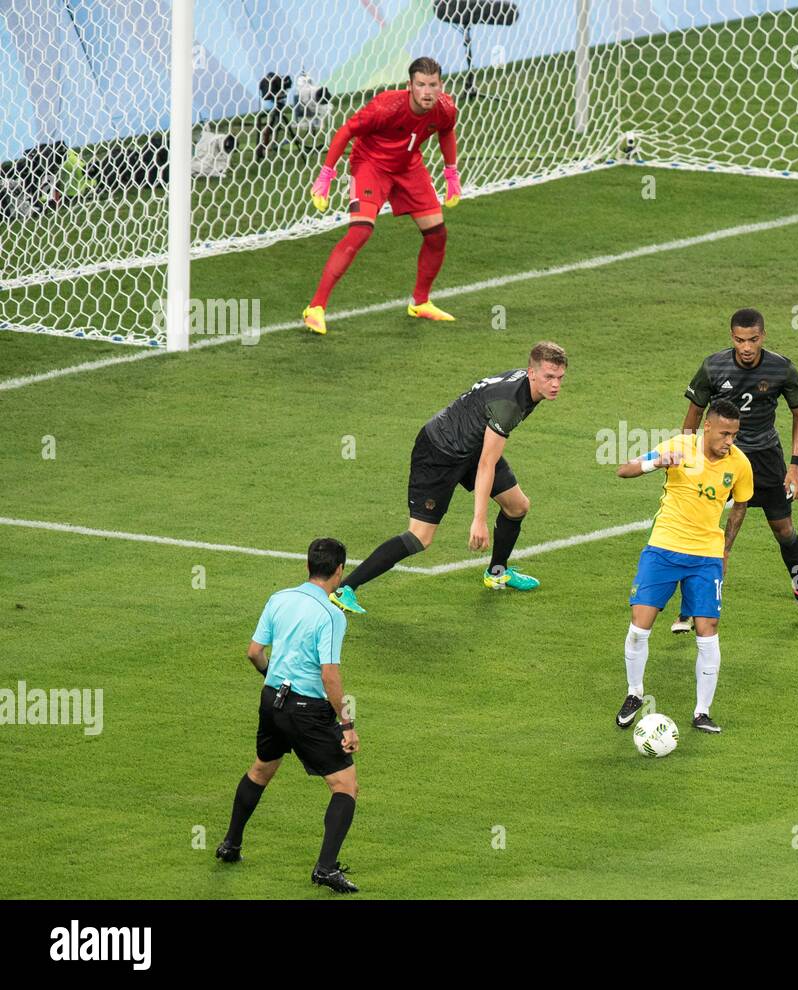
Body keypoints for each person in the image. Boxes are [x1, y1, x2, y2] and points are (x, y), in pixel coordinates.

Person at [330, 342, 568, 613]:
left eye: (560, 377)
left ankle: (497, 573)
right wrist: (479, 519)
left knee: (517, 506)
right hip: (439, 452)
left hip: (471, 445)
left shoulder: (525, 386)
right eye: (549, 377)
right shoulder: (510, 403)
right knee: (420, 537)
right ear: (532, 373)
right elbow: (487, 465)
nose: (555, 384)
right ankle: (344, 588)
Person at [216, 538, 362, 892]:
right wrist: (347, 724)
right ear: (339, 571)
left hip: (271, 701)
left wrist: (275, 680)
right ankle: (326, 868)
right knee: (345, 785)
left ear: (308, 566)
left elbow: (254, 652)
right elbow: (329, 676)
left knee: (262, 768)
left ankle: (230, 845)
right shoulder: (331, 615)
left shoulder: (279, 599)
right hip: (306, 710)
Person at [614, 400, 753, 734]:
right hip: (663, 549)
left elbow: (740, 506)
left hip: (705, 557)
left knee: (708, 629)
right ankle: (634, 693)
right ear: (707, 426)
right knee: (639, 625)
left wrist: (726, 549)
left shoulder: (740, 464)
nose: (729, 441)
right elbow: (625, 468)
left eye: (734, 435)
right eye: (724, 434)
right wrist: (659, 462)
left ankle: (701, 712)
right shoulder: (678, 447)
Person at [678, 307, 798, 629]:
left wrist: (795, 466)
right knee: (701, 529)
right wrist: (687, 454)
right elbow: (694, 414)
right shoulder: (712, 366)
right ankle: (688, 608)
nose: (746, 347)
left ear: (763, 337)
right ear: (732, 337)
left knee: (784, 531)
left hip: (766, 458)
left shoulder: (781, 368)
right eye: (740, 340)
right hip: (721, 456)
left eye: (753, 340)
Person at [302, 57, 461, 335]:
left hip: (409, 166)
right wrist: (326, 175)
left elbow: (446, 132)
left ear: (440, 85)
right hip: (371, 166)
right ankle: (315, 307)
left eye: (432, 85)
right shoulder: (386, 106)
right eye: (421, 85)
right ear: (410, 85)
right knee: (360, 232)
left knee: (437, 234)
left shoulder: (445, 108)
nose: (427, 91)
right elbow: (346, 131)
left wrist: (451, 174)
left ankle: (420, 302)